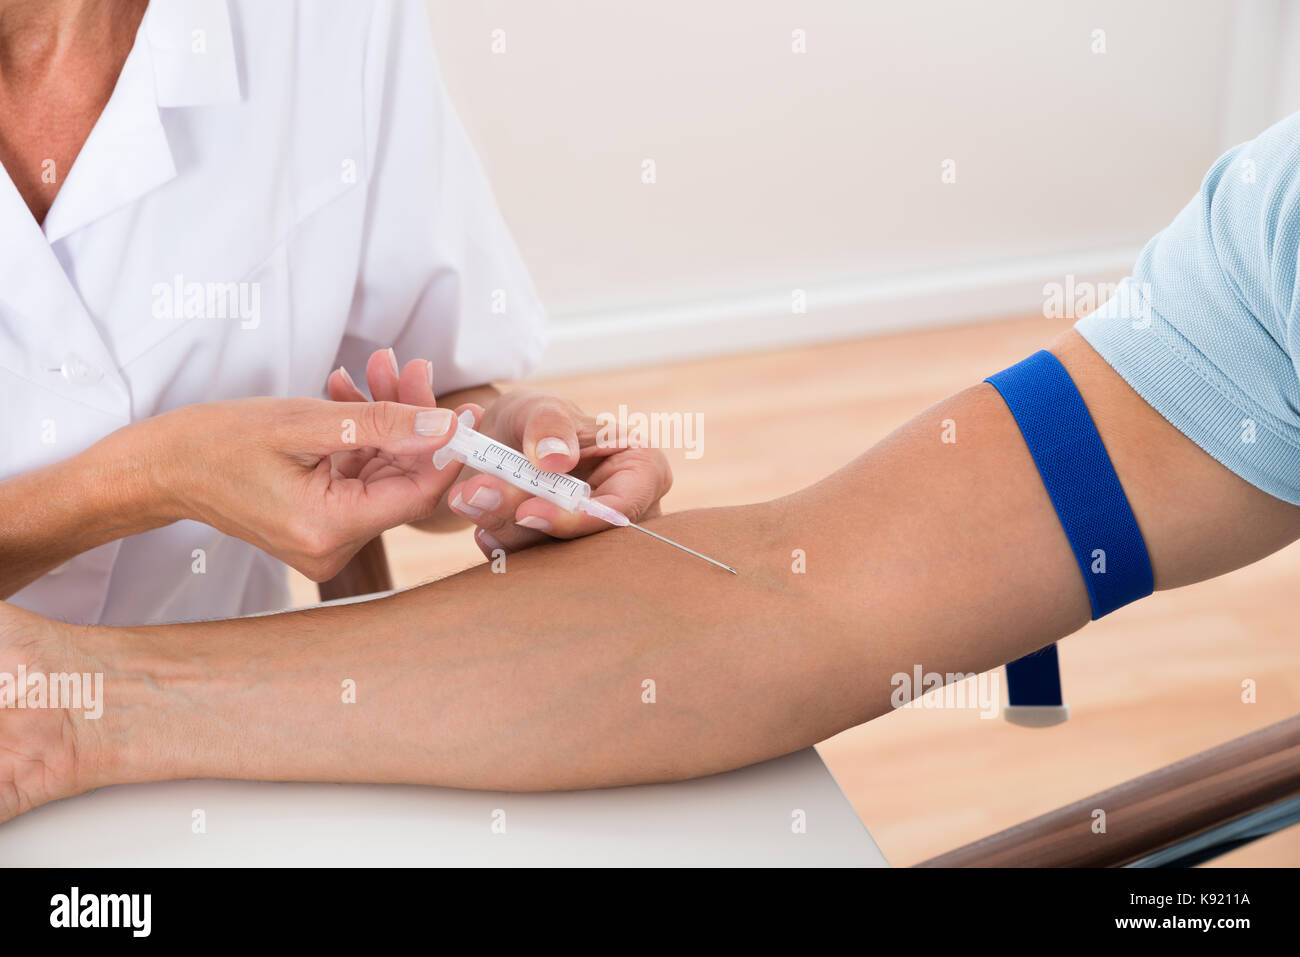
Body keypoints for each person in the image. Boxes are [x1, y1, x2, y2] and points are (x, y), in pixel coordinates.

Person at [7, 44, 1300, 826]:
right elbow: (814, 597)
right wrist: (137, 502)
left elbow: (797, 596)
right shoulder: (1273, 247)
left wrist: (488, 430)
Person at [0, 0, 671, 624]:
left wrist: (507, 448)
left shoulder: (328, 20)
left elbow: (423, 399)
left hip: (227, 719)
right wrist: (158, 478)